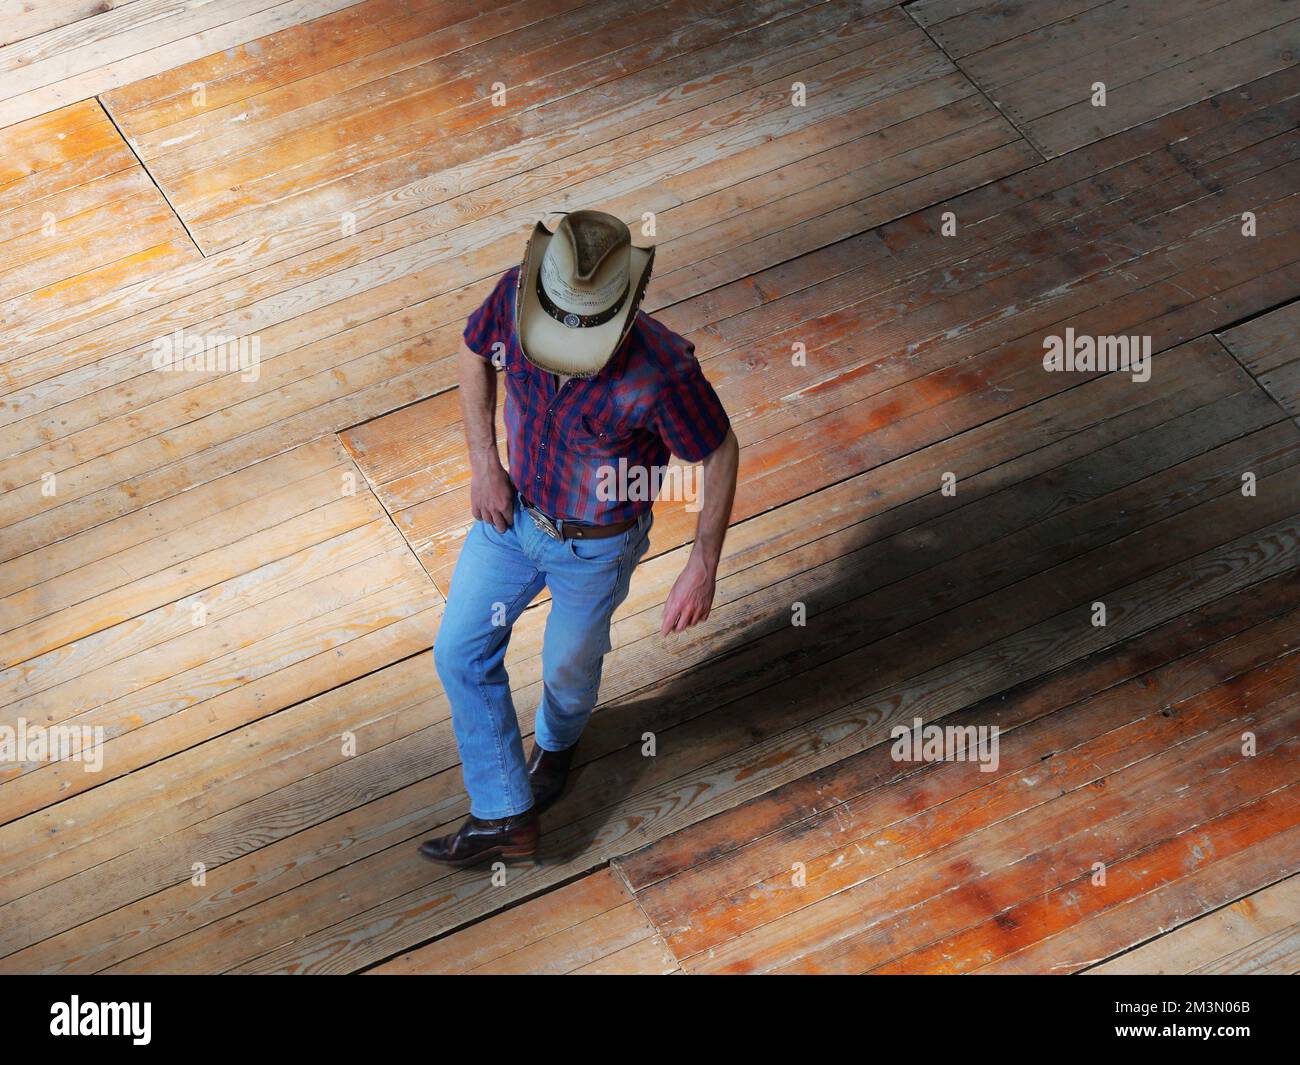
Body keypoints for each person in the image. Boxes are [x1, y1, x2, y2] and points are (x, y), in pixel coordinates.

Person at [420, 209, 739, 867]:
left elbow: (720, 451)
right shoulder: (515, 293)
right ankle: (506, 813)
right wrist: (485, 463)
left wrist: (701, 562)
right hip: (510, 518)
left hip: (596, 547)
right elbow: (473, 351)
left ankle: (558, 749)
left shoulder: (660, 370)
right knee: (458, 651)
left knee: (569, 671)